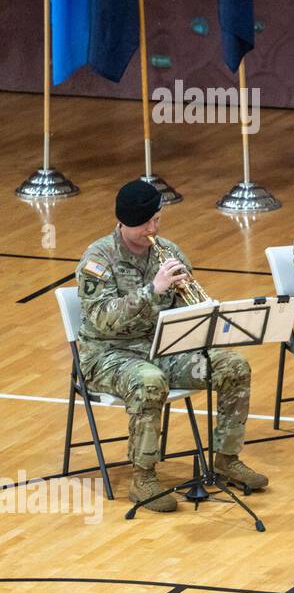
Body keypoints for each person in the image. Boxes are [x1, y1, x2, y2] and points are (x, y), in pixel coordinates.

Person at [75, 180, 266, 512]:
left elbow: (184, 310)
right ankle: (143, 476)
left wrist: (203, 310)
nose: (153, 229)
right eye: (146, 223)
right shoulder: (97, 259)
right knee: (149, 381)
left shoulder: (169, 251)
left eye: (157, 220)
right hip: (108, 355)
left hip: (161, 349)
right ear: (125, 221)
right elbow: (104, 319)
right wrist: (154, 288)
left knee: (233, 366)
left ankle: (227, 458)